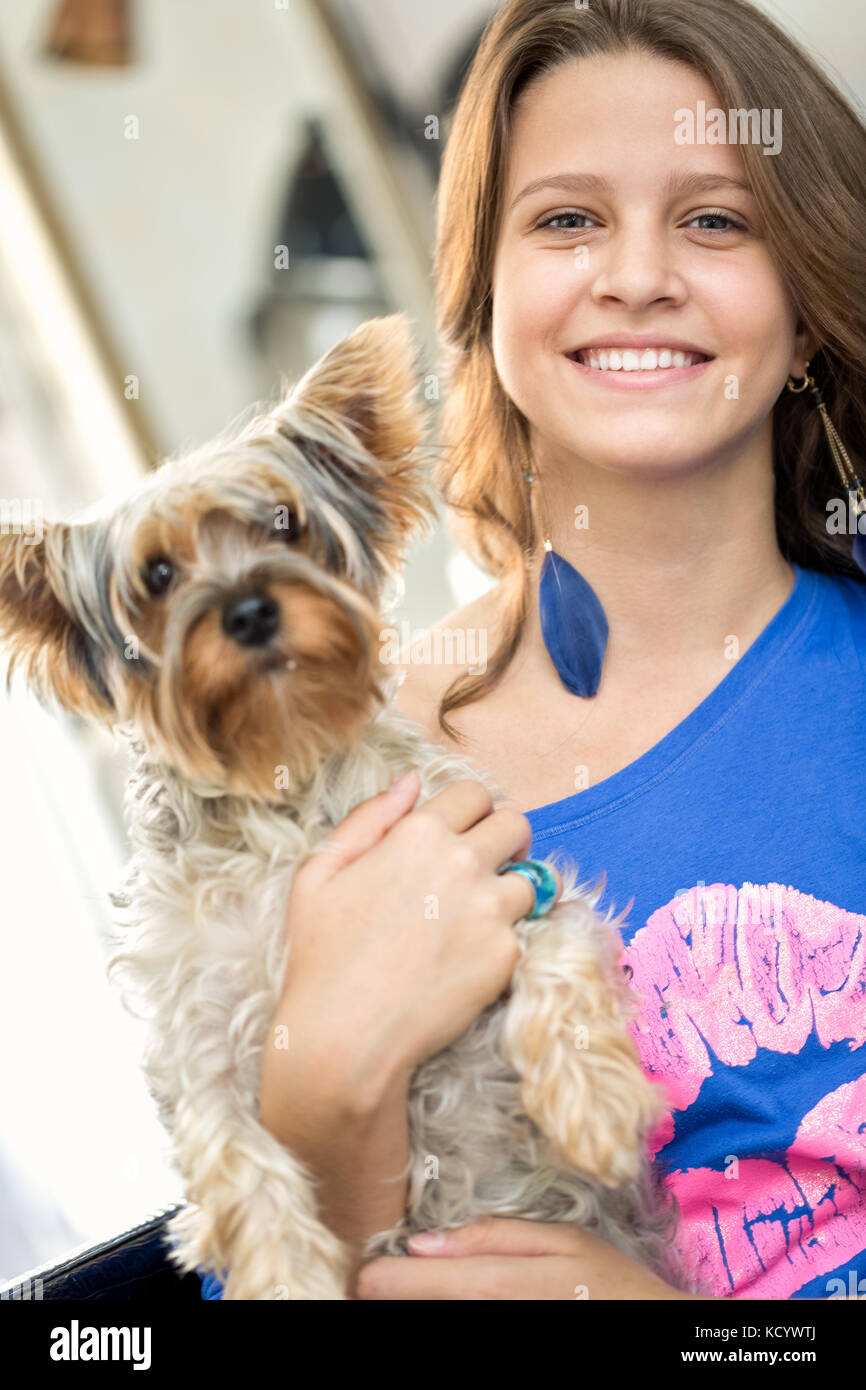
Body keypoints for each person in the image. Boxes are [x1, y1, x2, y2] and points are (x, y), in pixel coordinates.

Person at [205, 0, 866, 1301]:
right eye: (565, 219)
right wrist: (322, 1126)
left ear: (805, 303)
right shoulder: (331, 781)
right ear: (482, 295)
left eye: (714, 219)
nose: (633, 275)